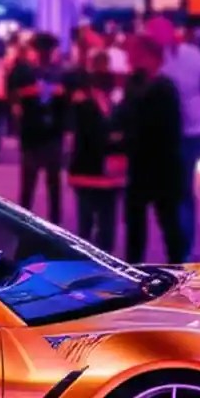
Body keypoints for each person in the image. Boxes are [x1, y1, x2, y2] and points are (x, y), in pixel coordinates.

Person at [144, 16, 200, 261]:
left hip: (189, 133)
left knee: (182, 188)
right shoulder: (152, 60)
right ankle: (177, 244)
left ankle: (184, 248)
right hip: (162, 134)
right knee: (168, 191)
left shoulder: (193, 57)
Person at [121, 35, 187, 264]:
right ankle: (134, 267)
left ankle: (178, 268)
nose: (130, 58)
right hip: (140, 164)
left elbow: (157, 127)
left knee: (169, 223)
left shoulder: (164, 87)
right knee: (135, 224)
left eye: (135, 53)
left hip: (162, 165)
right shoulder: (135, 83)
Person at [68, 51, 126, 252]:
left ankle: (104, 257)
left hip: (109, 171)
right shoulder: (83, 99)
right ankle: (88, 258)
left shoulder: (115, 99)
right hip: (87, 169)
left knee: (106, 222)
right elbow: (86, 131)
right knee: (87, 222)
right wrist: (112, 136)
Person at [8, 33, 68, 224]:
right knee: (29, 182)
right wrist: (29, 92)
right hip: (31, 132)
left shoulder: (59, 72)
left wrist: (60, 93)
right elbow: (11, 94)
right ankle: (24, 220)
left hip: (52, 131)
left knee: (54, 182)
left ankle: (55, 223)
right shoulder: (22, 71)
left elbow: (67, 98)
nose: (44, 55)